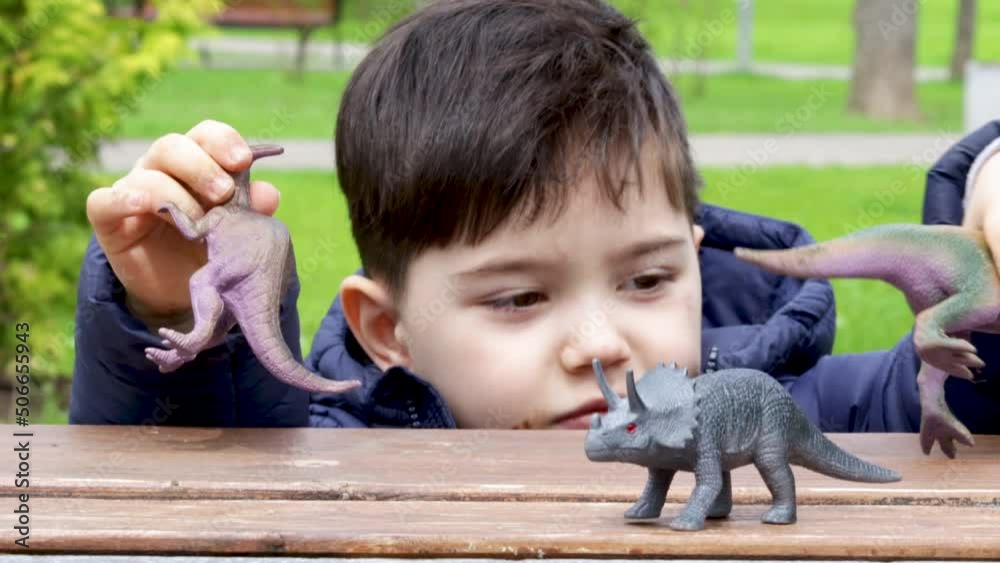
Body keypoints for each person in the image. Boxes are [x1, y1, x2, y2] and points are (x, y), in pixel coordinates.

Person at [69, 0, 1000, 441]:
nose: (600, 344)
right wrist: (169, 316)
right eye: (518, 296)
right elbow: (203, 491)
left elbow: (976, 386)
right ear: (386, 329)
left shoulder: (788, 405)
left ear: (694, 254)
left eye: (647, 279)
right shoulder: (339, 456)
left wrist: (990, 191)